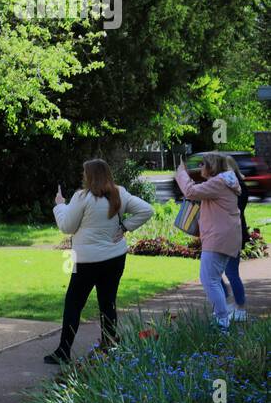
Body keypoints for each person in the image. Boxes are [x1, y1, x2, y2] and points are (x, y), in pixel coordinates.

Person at [46, 159, 154, 364]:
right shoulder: (120, 193)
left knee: (74, 304)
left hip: (87, 261)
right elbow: (147, 210)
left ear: (89, 176)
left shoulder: (82, 197)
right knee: (108, 302)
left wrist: (60, 206)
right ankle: (109, 346)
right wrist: (124, 227)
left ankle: (63, 351)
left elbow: (67, 227)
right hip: (115, 259)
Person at [174, 152, 243, 332]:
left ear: (211, 166)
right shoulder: (223, 182)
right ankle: (221, 319)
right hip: (224, 238)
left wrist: (181, 172)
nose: (200, 168)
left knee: (209, 280)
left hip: (218, 239)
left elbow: (190, 191)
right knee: (212, 279)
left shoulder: (219, 183)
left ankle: (222, 323)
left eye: (203, 164)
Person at [221, 154, 250, 322]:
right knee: (216, 273)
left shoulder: (236, 186)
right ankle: (230, 302)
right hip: (230, 232)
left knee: (231, 272)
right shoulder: (235, 185)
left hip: (233, 233)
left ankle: (240, 307)